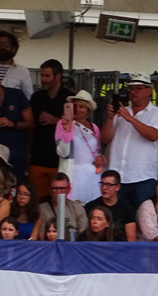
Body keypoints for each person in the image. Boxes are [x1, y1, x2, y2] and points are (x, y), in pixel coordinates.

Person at [101, 72, 158, 211]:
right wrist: (110, 119)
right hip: (118, 177)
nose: (134, 92)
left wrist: (130, 118)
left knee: (144, 219)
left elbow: (153, 135)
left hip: (143, 177)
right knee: (118, 217)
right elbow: (105, 138)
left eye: (139, 88)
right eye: (131, 88)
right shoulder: (121, 112)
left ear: (149, 91)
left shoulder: (155, 113)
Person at [29, 59, 72, 200]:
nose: (43, 79)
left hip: (59, 159)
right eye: (42, 75)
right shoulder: (37, 97)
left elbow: (76, 126)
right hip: (38, 156)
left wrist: (56, 120)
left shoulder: (69, 98)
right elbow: (30, 125)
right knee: (37, 199)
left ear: (58, 76)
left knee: (59, 199)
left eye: (47, 76)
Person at [55, 90, 103, 205]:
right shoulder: (62, 124)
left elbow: (96, 151)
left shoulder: (94, 127)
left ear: (88, 110)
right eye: (75, 106)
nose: (77, 109)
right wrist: (67, 131)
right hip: (73, 175)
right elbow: (62, 152)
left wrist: (100, 158)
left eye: (81, 107)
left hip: (93, 177)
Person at [84, 170, 138, 241]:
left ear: (117, 187)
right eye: (102, 184)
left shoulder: (127, 209)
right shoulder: (90, 207)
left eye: (108, 185)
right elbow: (85, 233)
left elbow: (131, 239)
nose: (104, 188)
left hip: (118, 246)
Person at [37, 172, 87, 239]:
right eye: (55, 188)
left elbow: (83, 236)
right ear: (50, 190)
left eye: (62, 188)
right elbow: (41, 237)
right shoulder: (42, 209)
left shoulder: (78, 208)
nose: (59, 192)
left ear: (69, 190)